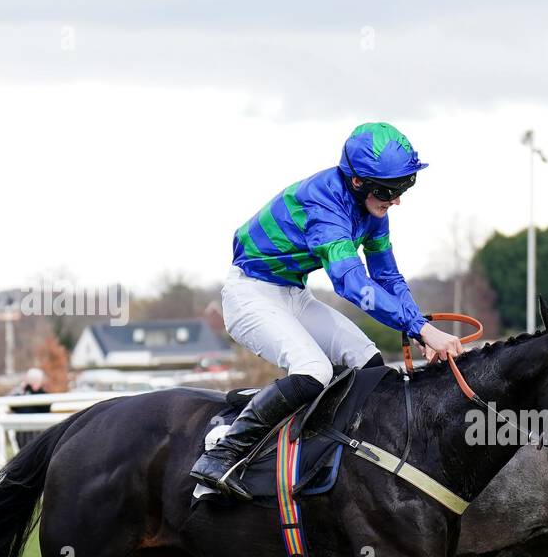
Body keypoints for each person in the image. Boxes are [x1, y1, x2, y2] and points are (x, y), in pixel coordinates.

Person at [191, 122, 464, 499]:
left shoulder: (372, 211)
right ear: (357, 182)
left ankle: (344, 458)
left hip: (292, 294)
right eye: (391, 189)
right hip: (249, 295)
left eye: (406, 186)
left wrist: (418, 325)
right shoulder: (324, 205)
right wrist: (419, 328)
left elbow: (387, 275)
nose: (398, 199)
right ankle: (223, 454)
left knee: (368, 362)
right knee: (315, 370)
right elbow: (350, 282)